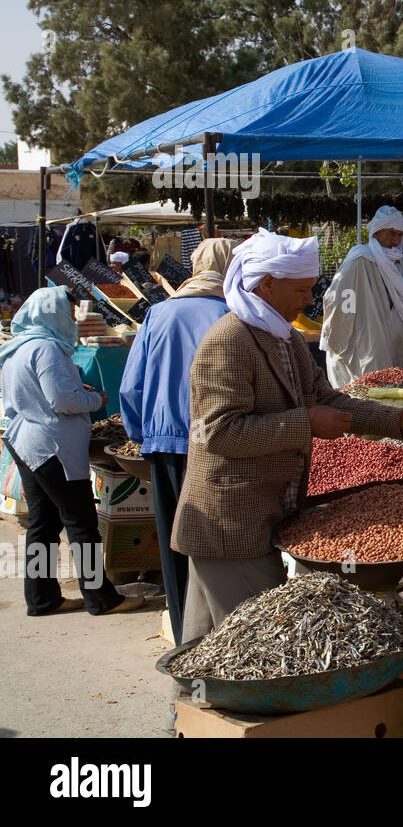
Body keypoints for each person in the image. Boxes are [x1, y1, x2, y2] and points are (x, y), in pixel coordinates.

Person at [172, 230, 403, 643]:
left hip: (269, 511)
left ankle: (190, 707)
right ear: (267, 284)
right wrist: (305, 423)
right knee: (253, 646)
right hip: (230, 520)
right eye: (302, 290)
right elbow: (218, 432)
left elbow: (330, 399)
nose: (309, 300)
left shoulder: (283, 336)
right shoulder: (230, 340)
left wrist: (401, 420)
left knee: (208, 643)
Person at [0, 287, 143, 617]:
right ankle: (102, 598)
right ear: (52, 315)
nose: (73, 320)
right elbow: (62, 401)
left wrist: (77, 391)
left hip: (27, 442)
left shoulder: (17, 349)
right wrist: (96, 400)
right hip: (52, 447)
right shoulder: (48, 349)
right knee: (81, 524)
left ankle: (42, 598)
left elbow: (22, 400)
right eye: (67, 313)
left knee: (43, 524)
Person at [119, 238, 235, 643]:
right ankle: (221, 638)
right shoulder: (234, 314)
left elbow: (132, 388)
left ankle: (186, 636)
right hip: (220, 446)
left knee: (174, 543)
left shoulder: (159, 313)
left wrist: (142, 436)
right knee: (216, 545)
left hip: (166, 446)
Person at [320, 206, 403, 388]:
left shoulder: (397, 264)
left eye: (400, 235)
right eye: (392, 233)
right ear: (377, 233)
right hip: (363, 342)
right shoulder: (360, 260)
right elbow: (341, 298)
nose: (396, 240)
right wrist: (348, 328)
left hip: (388, 343)